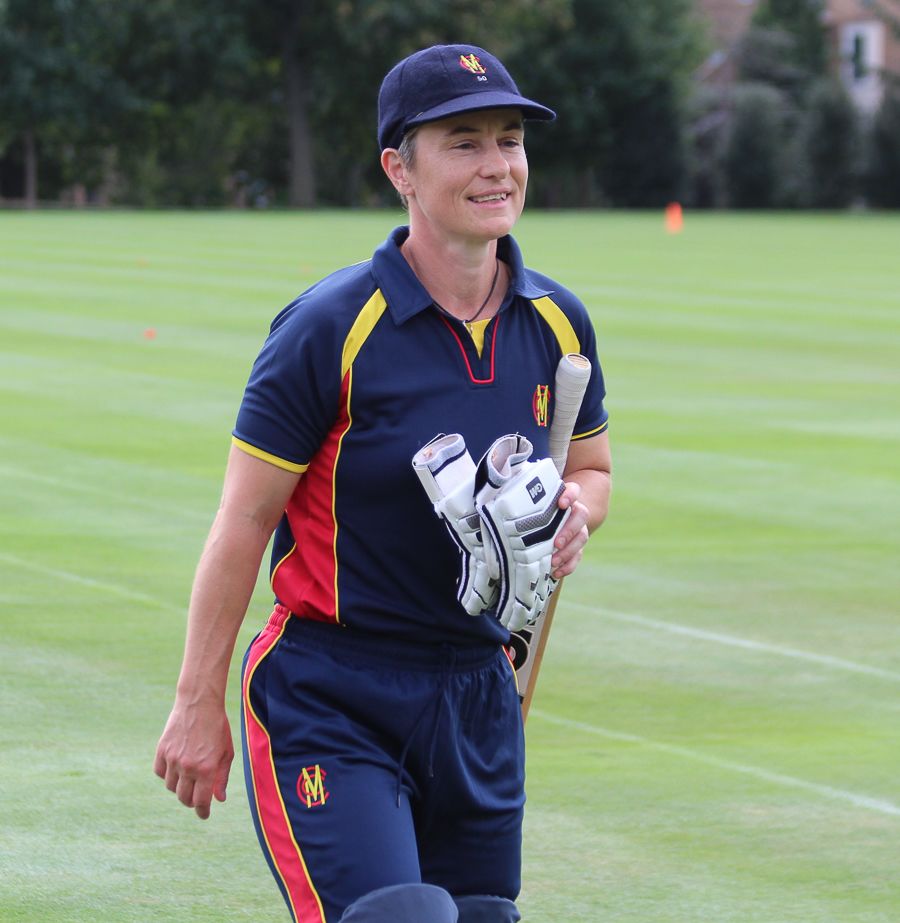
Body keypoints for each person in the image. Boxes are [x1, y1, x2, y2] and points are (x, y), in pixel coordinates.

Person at [154, 43, 612, 923]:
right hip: (335, 692)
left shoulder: (558, 322)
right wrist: (194, 699)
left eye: (510, 140)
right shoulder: (328, 328)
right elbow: (244, 521)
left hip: (479, 690)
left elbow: (592, 471)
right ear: (399, 169)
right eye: (465, 143)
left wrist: (572, 515)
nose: (497, 165)